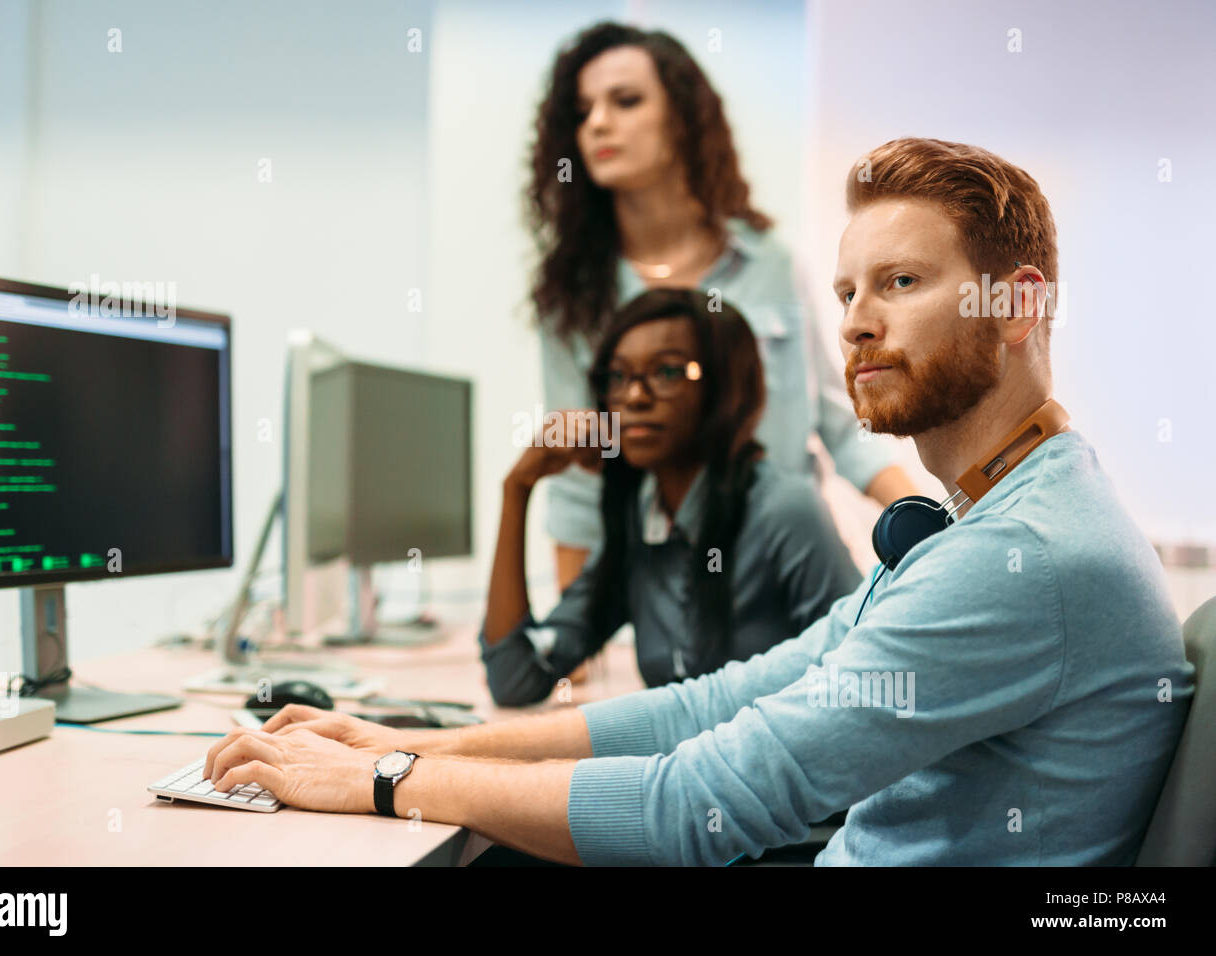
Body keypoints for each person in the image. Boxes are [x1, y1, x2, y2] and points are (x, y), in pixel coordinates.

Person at [203, 138, 1194, 866]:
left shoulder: (1026, 554)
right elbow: (723, 700)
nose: (854, 325)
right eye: (847, 294)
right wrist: (411, 742)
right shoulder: (992, 514)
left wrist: (381, 781)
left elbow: (708, 801)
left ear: (1015, 304)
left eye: (899, 282)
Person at [526, 21, 917, 596]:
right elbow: (578, 477)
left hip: (794, 576)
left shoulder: (770, 266)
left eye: (626, 101)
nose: (598, 124)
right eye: (583, 112)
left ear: (682, 119)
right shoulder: (575, 295)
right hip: (665, 596)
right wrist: (573, 653)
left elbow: (840, 425)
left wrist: (926, 523)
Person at [481, 288, 861, 706]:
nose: (634, 397)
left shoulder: (786, 509)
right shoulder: (639, 525)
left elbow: (857, 684)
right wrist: (516, 489)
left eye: (666, 372)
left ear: (724, 388)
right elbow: (514, 680)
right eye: (618, 377)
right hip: (677, 769)